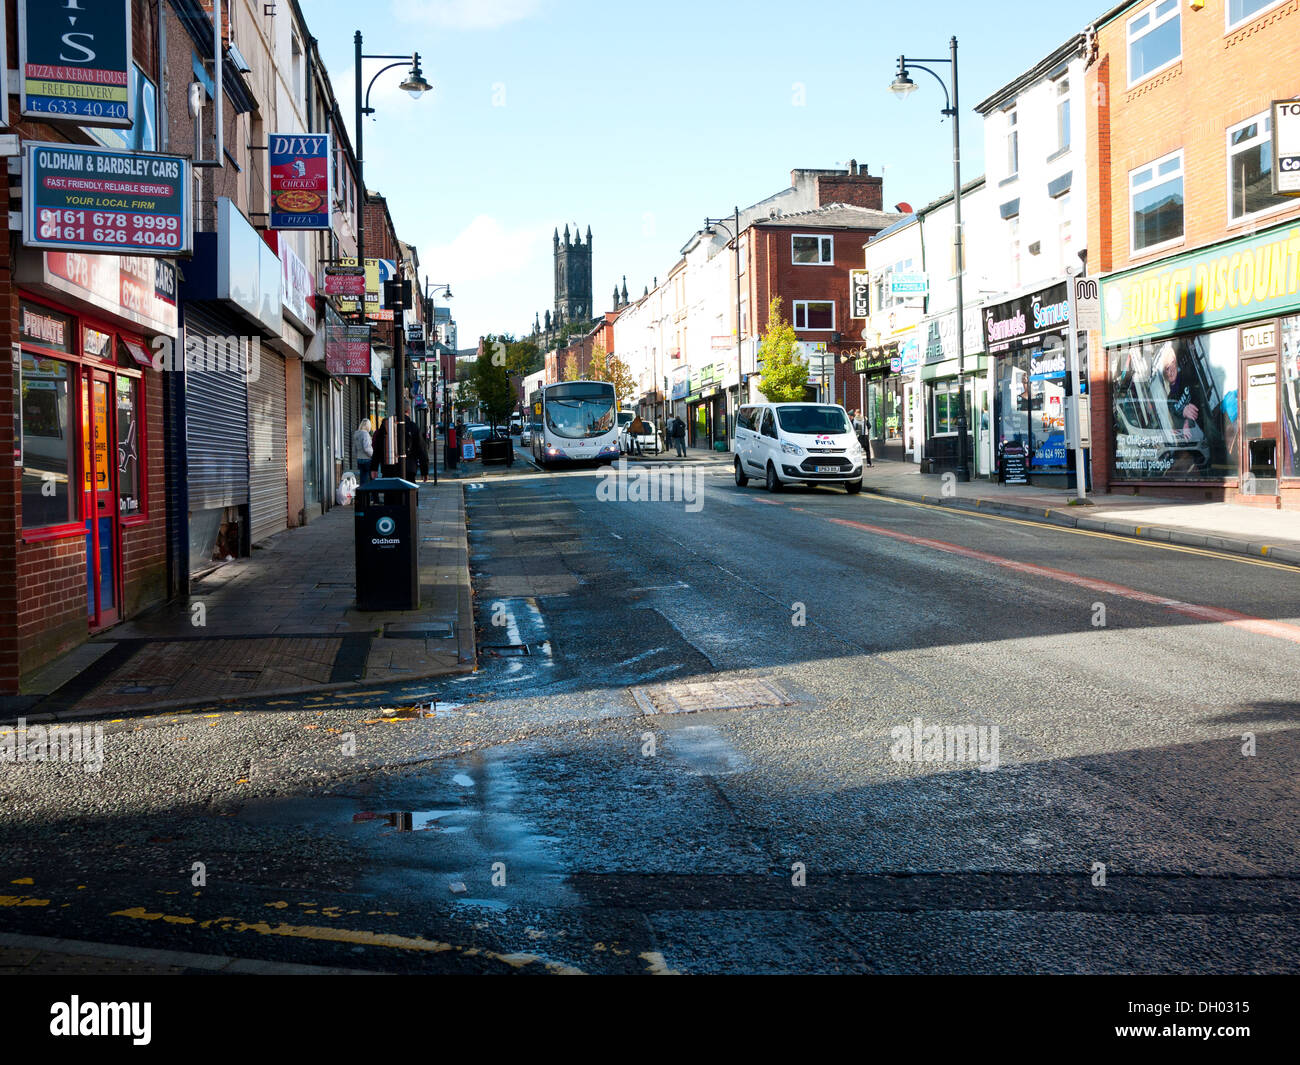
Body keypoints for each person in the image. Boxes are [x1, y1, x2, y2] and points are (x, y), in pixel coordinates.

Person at [353, 418, 374, 483]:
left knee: (362, 478)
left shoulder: (356, 434)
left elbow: (354, 448)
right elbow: (366, 448)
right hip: (367, 459)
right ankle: (367, 492)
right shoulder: (365, 434)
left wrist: (358, 456)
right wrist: (372, 454)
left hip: (359, 459)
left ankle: (362, 492)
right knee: (369, 478)